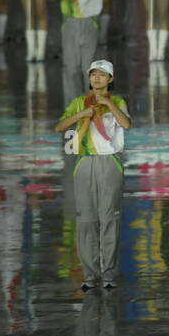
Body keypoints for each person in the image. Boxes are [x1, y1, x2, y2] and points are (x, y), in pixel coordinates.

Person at [54, 59, 132, 292]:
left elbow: (126, 125)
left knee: (109, 219)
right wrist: (83, 115)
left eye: (102, 74)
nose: (96, 78)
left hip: (110, 163)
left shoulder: (118, 101)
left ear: (110, 79)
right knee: (86, 220)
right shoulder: (78, 103)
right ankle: (89, 275)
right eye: (93, 74)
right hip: (84, 163)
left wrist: (108, 103)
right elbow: (59, 127)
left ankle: (108, 273)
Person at [49, 0, 119, 104]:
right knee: (70, 66)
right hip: (70, 21)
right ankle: (72, 104)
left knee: (89, 66)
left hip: (90, 21)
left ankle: (92, 103)